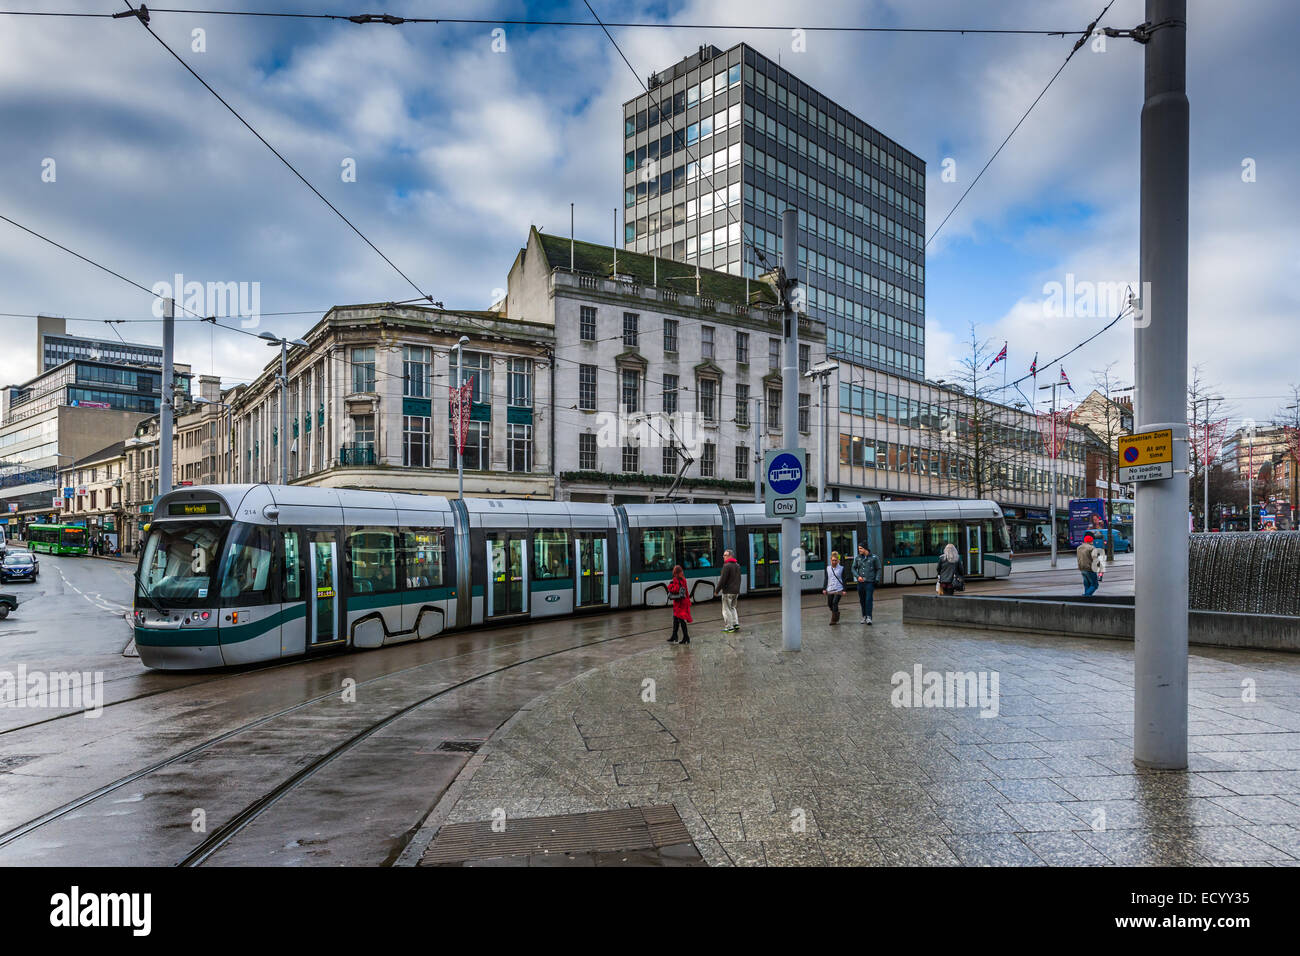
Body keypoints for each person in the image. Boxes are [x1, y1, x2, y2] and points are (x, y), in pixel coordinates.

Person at [852, 543, 881, 625]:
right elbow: (853, 568)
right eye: (859, 548)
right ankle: (864, 616)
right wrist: (857, 577)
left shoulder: (874, 558)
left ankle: (869, 617)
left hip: (870, 582)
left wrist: (877, 579)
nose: (859, 550)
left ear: (865, 549)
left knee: (868, 599)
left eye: (861, 548)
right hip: (860, 583)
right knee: (862, 600)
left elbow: (878, 569)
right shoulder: (857, 558)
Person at [666, 564, 692, 644]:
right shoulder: (683, 579)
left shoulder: (676, 579)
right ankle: (674, 636)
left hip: (679, 603)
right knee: (676, 619)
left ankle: (686, 637)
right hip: (683, 601)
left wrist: (670, 586)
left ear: (675, 572)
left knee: (680, 620)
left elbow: (676, 589)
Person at [718, 549, 741, 632]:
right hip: (735, 591)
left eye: (725, 555)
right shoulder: (737, 565)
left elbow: (722, 580)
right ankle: (736, 624)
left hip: (727, 592)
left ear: (730, 556)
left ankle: (729, 627)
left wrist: (717, 590)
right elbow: (739, 579)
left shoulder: (726, 566)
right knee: (733, 607)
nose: (723, 556)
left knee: (726, 609)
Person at [823, 551, 846, 624]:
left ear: (838, 561)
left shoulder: (841, 568)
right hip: (830, 588)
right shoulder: (828, 568)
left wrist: (844, 589)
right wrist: (824, 588)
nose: (834, 562)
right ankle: (836, 612)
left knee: (835, 603)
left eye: (835, 560)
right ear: (830, 560)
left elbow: (844, 579)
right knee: (830, 604)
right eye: (833, 560)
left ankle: (833, 620)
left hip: (839, 588)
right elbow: (826, 578)